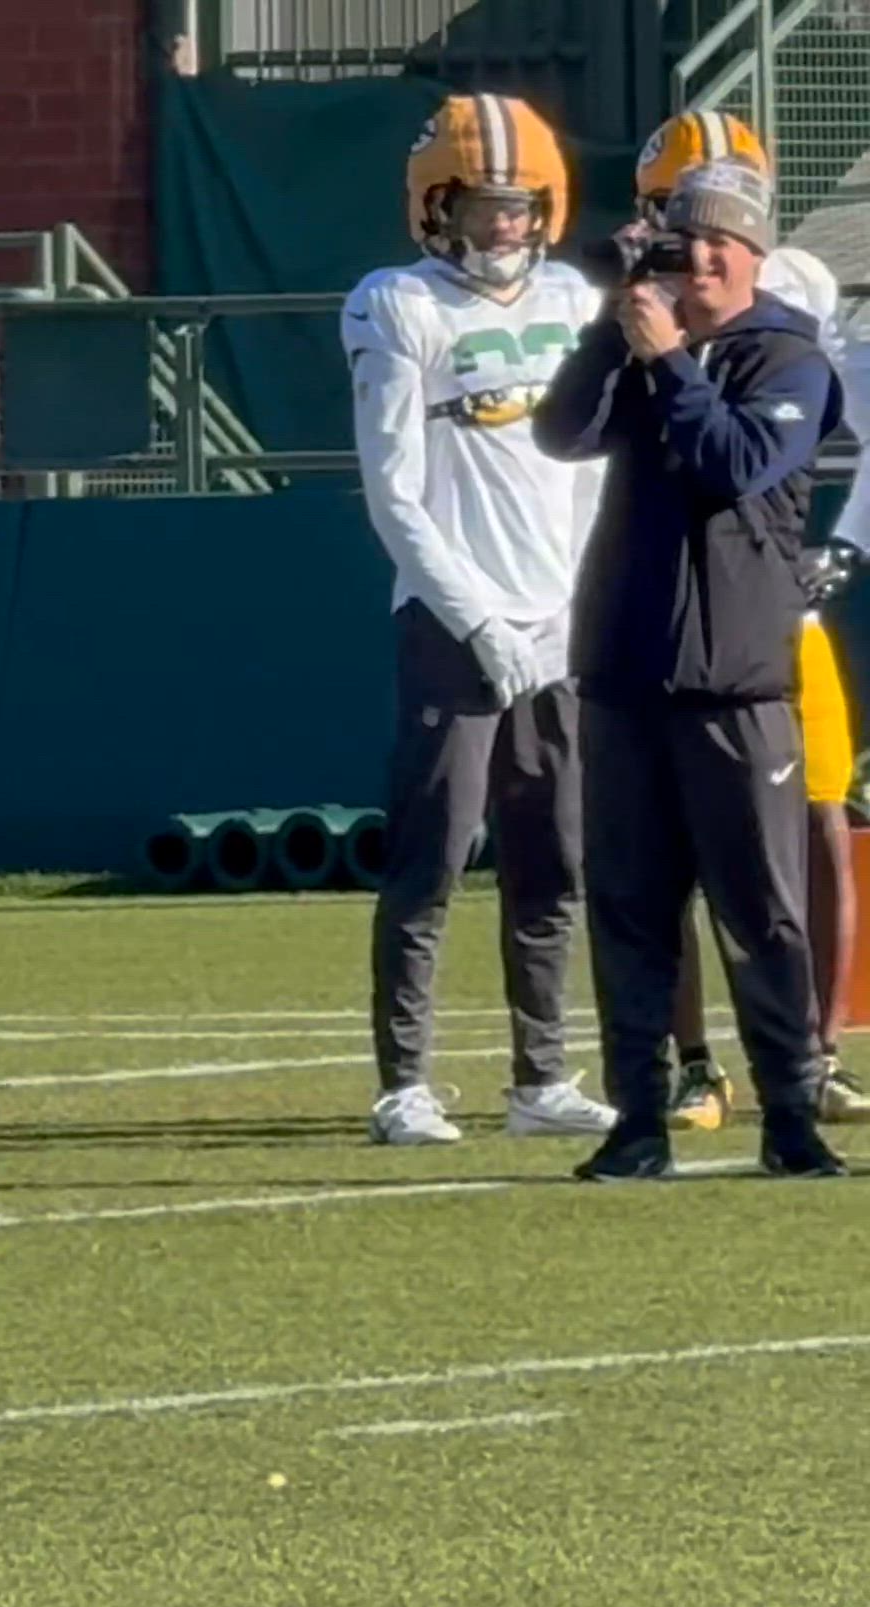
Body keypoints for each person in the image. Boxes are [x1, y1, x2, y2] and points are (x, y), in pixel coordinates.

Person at [535, 156, 850, 1179]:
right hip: (626, 672)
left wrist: (670, 361)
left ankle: (791, 1118)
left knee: (760, 911)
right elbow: (561, 432)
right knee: (630, 908)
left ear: (756, 253)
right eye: (687, 239)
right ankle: (638, 1121)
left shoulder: (790, 360)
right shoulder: (644, 344)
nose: (702, 259)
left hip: (738, 683)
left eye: (723, 241)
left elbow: (736, 465)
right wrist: (611, 328)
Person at [340, 92, 613, 1146]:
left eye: (521, 205)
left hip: (554, 622)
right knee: (434, 856)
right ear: (436, 205)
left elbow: (590, 475)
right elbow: (393, 492)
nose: (505, 225)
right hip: (452, 625)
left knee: (555, 857)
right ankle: (404, 1083)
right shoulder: (398, 302)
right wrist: (476, 619)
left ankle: (541, 1076)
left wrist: (568, 608)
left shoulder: (574, 298)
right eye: (485, 205)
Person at [624, 114, 870, 1130]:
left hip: (776, 600)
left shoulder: (794, 290)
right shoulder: (630, 300)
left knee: (819, 822)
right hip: (669, 604)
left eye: (727, 213)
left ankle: (816, 1055)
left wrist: (842, 543)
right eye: (681, 211)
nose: (700, 241)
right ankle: (693, 1062)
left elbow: (823, 422)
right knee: (662, 857)